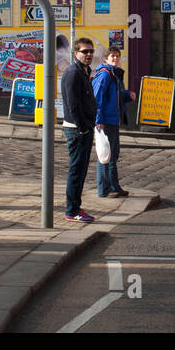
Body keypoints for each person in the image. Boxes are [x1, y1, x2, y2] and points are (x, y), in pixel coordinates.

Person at [61, 37, 98, 223]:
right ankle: (72, 210)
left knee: (81, 170)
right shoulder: (73, 73)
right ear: (76, 54)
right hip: (76, 129)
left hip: (84, 127)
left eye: (91, 51)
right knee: (76, 170)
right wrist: (83, 128)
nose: (89, 54)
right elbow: (73, 105)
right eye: (85, 52)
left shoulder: (84, 71)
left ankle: (75, 205)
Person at [92, 50, 130, 199]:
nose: (115, 58)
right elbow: (97, 97)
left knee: (113, 155)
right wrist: (98, 119)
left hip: (114, 119)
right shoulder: (105, 74)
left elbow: (116, 96)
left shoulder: (115, 74)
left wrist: (127, 95)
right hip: (106, 121)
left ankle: (114, 186)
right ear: (106, 59)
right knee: (105, 155)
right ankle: (103, 189)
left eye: (117, 56)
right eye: (112, 56)